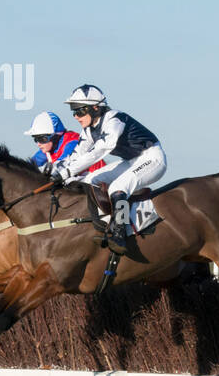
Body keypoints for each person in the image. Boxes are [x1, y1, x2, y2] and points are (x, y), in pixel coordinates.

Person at [52, 84, 166, 255]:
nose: (75, 116)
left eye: (79, 111)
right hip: (131, 161)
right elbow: (77, 156)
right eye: (73, 111)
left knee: (117, 187)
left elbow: (100, 151)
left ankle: (120, 235)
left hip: (153, 158)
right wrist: (57, 173)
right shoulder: (89, 130)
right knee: (90, 180)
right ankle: (105, 224)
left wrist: (67, 172)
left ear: (96, 108)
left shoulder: (114, 120)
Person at [24, 111, 105, 176]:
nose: (38, 144)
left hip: (99, 181)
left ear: (55, 136)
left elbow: (59, 168)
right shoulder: (48, 147)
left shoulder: (72, 143)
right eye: (35, 139)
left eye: (41, 139)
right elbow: (29, 166)